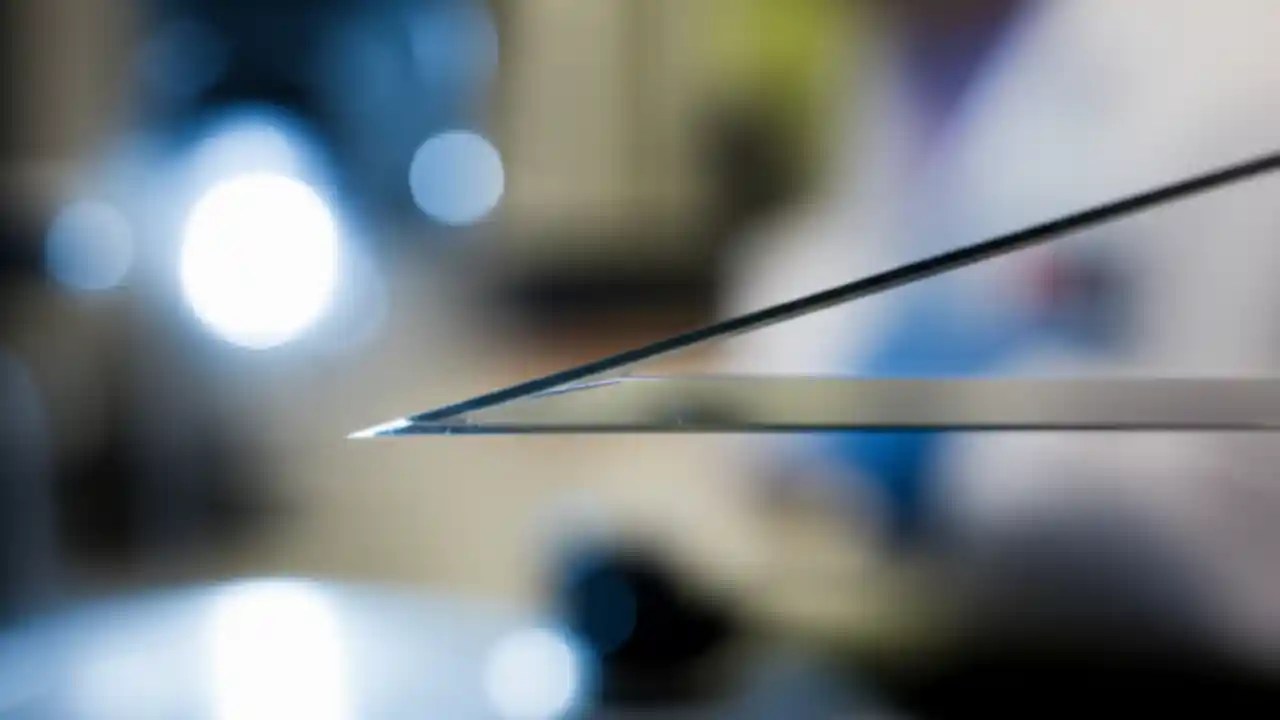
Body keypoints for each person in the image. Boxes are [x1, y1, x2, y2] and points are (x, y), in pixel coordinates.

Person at [724, 0, 1280, 663]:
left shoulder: (1237, 74)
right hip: (977, 638)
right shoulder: (910, 52)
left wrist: (963, 443)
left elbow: (1246, 517)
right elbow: (844, 255)